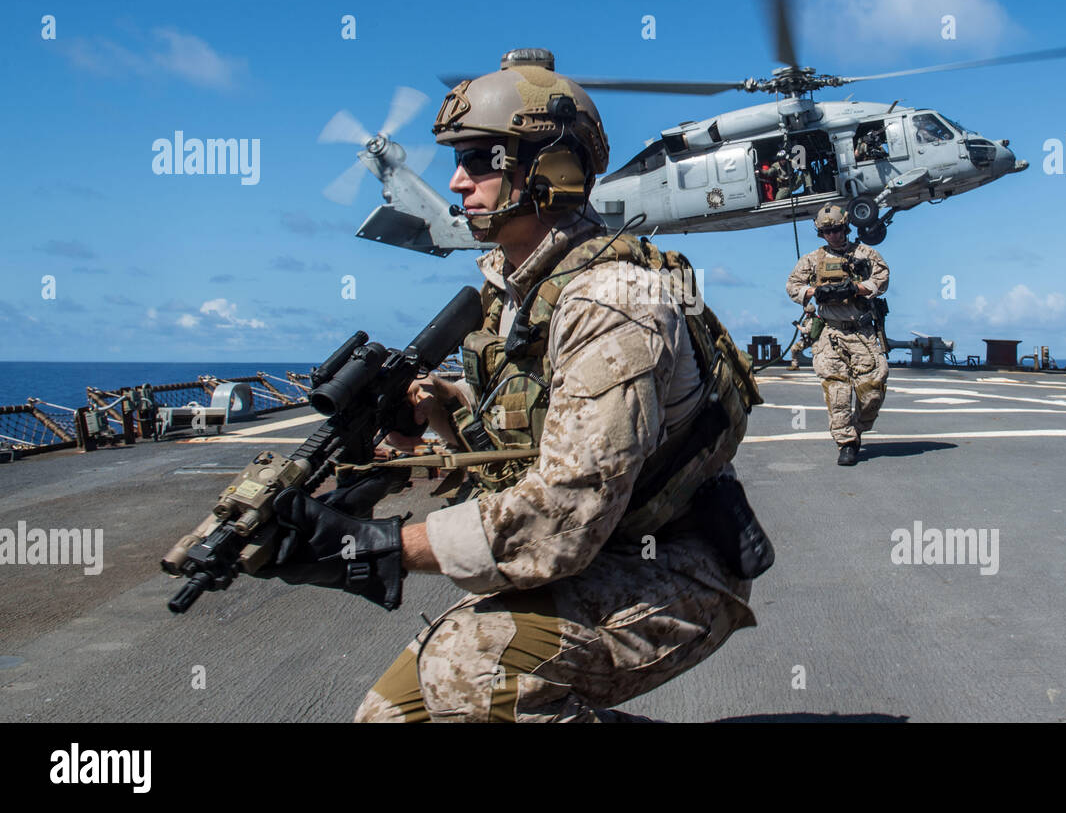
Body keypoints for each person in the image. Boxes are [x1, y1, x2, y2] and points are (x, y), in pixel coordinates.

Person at [253, 48, 771, 722]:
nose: (459, 181)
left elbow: (560, 515)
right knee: (390, 717)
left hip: (672, 564)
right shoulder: (518, 287)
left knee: (464, 670)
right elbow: (534, 412)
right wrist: (440, 407)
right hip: (598, 552)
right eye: (456, 161)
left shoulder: (612, 303)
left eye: (479, 159)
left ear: (550, 167)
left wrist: (377, 548)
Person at [785, 203, 890, 466]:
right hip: (830, 335)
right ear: (821, 234)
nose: (833, 235)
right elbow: (792, 285)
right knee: (837, 392)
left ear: (846, 227)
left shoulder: (865, 254)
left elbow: (881, 280)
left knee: (873, 391)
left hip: (862, 334)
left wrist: (855, 288)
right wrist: (815, 293)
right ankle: (846, 442)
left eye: (837, 230)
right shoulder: (812, 260)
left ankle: (857, 428)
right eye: (827, 231)